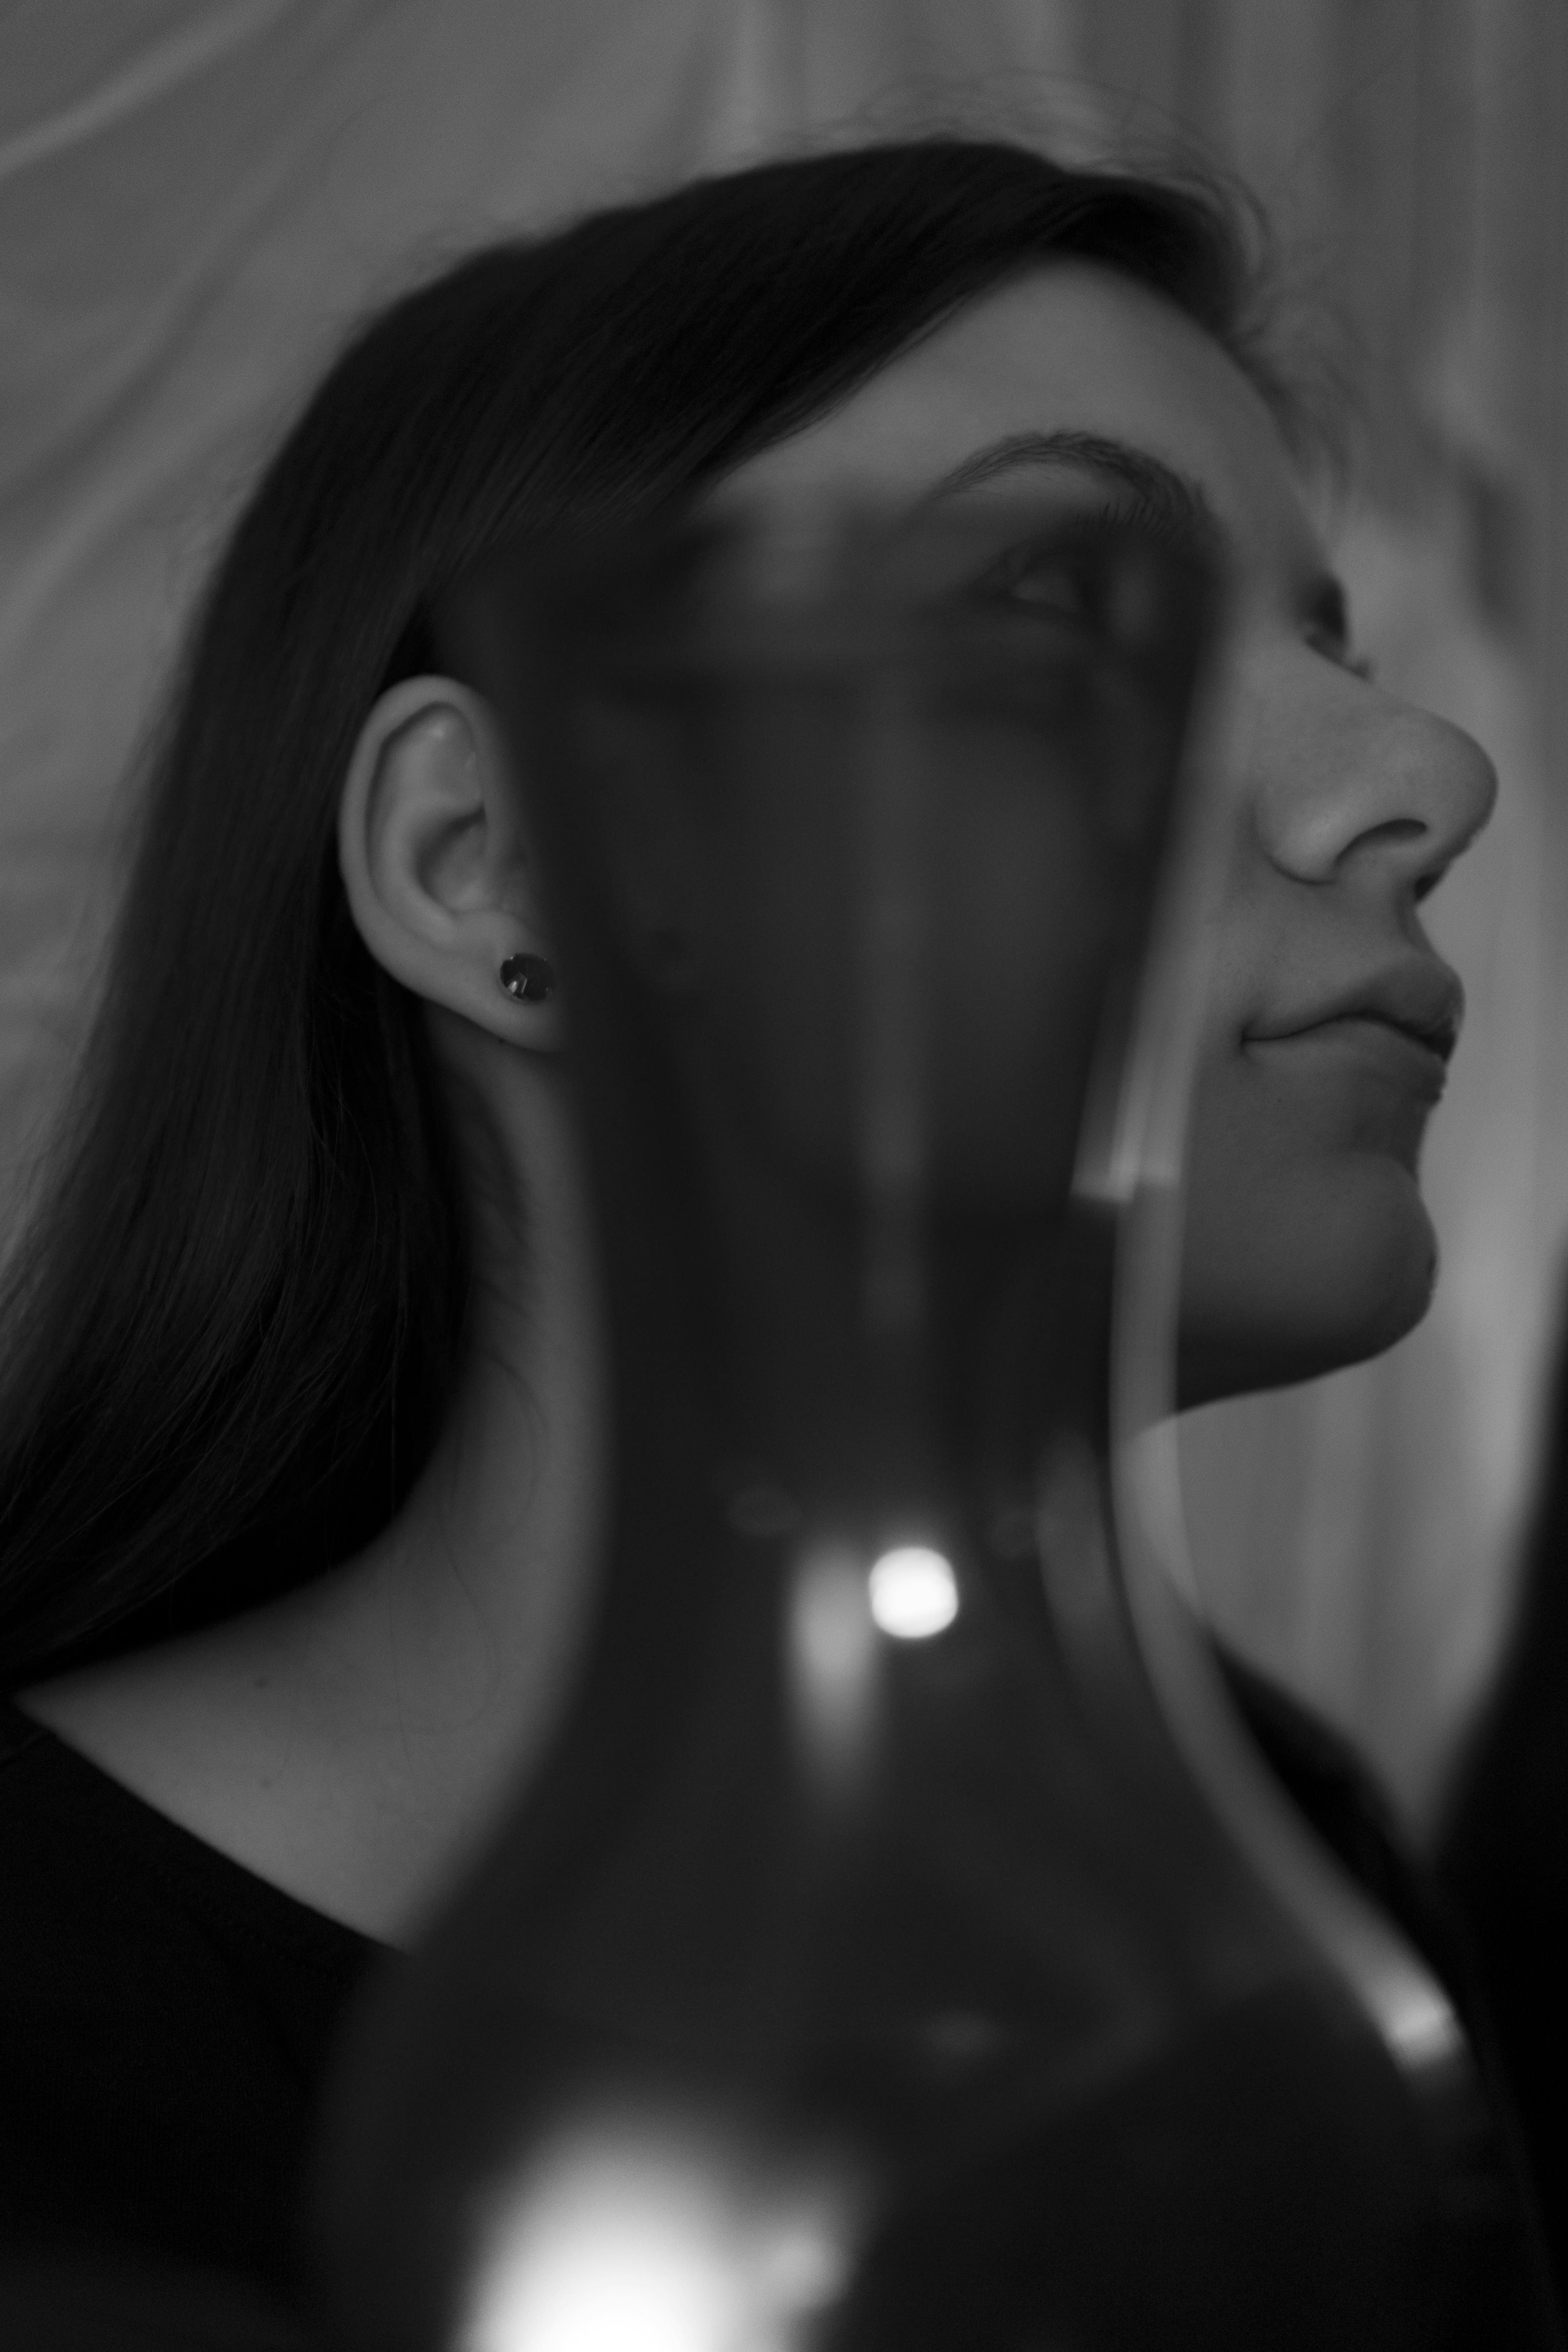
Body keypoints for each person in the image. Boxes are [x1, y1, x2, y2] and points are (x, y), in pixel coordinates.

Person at [0, 137, 1497, 2315]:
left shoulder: (1286, 1905)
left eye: (1325, 643)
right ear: (494, 862)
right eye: (1063, 599)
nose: (1425, 775)